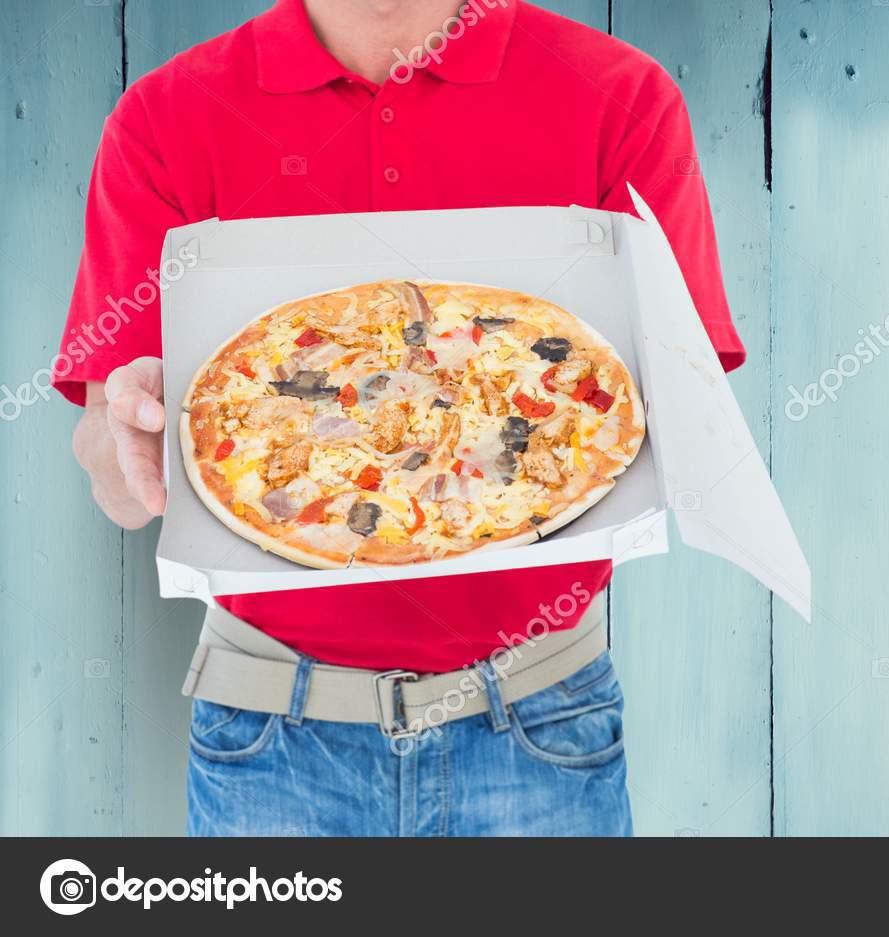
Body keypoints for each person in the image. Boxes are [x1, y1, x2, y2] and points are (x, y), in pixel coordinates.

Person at [58, 0, 744, 836]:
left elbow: (688, 427)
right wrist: (126, 444)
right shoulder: (166, 117)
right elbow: (115, 474)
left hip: (543, 718)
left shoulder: (618, 96)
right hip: (270, 739)